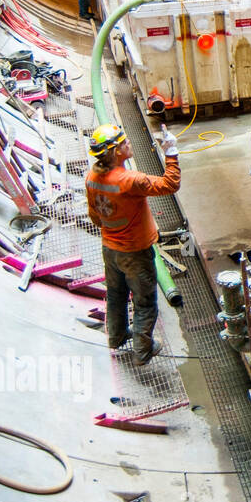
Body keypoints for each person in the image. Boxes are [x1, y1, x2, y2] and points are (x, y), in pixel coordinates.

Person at [85, 123, 181, 365]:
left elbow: (95, 216)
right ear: (116, 151)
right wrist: (170, 152)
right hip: (135, 254)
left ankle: (116, 338)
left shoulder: (92, 178)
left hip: (110, 249)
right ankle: (143, 351)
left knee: (116, 296)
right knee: (145, 303)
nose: (130, 144)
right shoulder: (130, 180)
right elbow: (170, 184)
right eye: (125, 142)